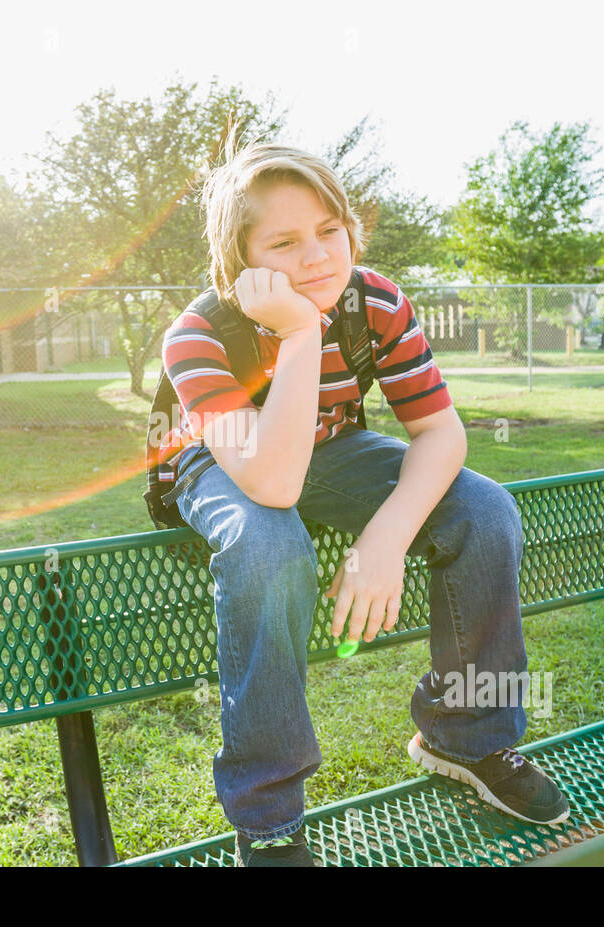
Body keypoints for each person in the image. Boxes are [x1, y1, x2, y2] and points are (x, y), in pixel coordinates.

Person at [156, 138, 569, 867]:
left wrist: (384, 538)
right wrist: (300, 331)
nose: (317, 256)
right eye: (284, 242)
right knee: (269, 544)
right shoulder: (197, 334)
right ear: (238, 258)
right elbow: (272, 483)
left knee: (485, 511)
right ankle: (269, 815)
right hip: (228, 461)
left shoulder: (375, 299)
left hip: (333, 450)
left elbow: (440, 432)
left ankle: (467, 738)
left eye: (329, 229)